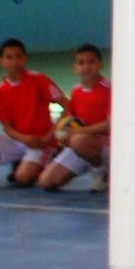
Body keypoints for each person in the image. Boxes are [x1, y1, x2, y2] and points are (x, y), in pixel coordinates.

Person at [0, 38, 69, 187]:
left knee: (23, 178)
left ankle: (52, 154)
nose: (14, 61)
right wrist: (24, 139)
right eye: (9, 57)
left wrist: (49, 137)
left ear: (25, 58)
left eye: (18, 56)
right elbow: (7, 127)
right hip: (19, 140)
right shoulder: (0, 89)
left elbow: (67, 106)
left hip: (41, 142)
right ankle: (22, 159)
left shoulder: (39, 80)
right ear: (0, 61)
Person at [39, 43, 113, 192]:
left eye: (91, 62)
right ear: (75, 68)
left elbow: (112, 124)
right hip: (81, 144)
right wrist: (61, 135)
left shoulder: (110, 89)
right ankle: (90, 162)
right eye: (81, 63)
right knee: (46, 181)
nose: (86, 66)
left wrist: (80, 132)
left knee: (78, 140)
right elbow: (69, 119)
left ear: (101, 65)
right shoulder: (76, 91)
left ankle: (102, 171)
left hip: (108, 145)